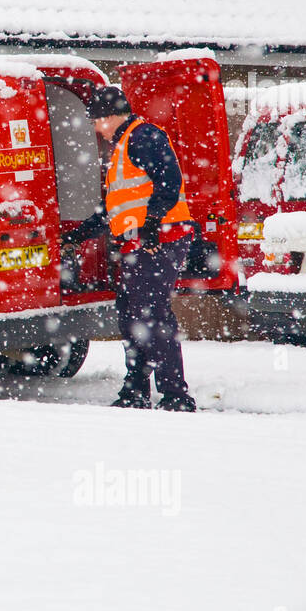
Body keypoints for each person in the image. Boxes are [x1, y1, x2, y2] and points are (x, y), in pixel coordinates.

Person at [62, 86, 198, 411]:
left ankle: (176, 396)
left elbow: (170, 180)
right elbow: (114, 208)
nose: (95, 128)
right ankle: (136, 390)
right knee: (132, 317)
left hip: (161, 241)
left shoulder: (143, 137)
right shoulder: (122, 146)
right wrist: (78, 235)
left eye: (96, 120)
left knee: (151, 317)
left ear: (109, 117)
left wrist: (151, 223)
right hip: (141, 244)